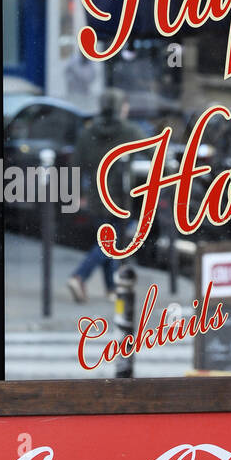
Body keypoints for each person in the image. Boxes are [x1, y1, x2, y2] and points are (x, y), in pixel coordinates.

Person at [67, 88, 143, 302]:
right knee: (111, 243)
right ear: (121, 107)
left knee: (107, 238)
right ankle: (80, 275)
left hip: (96, 195)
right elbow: (154, 154)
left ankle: (111, 289)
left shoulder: (88, 132)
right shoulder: (129, 131)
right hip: (120, 195)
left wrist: (79, 193)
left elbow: (76, 165)